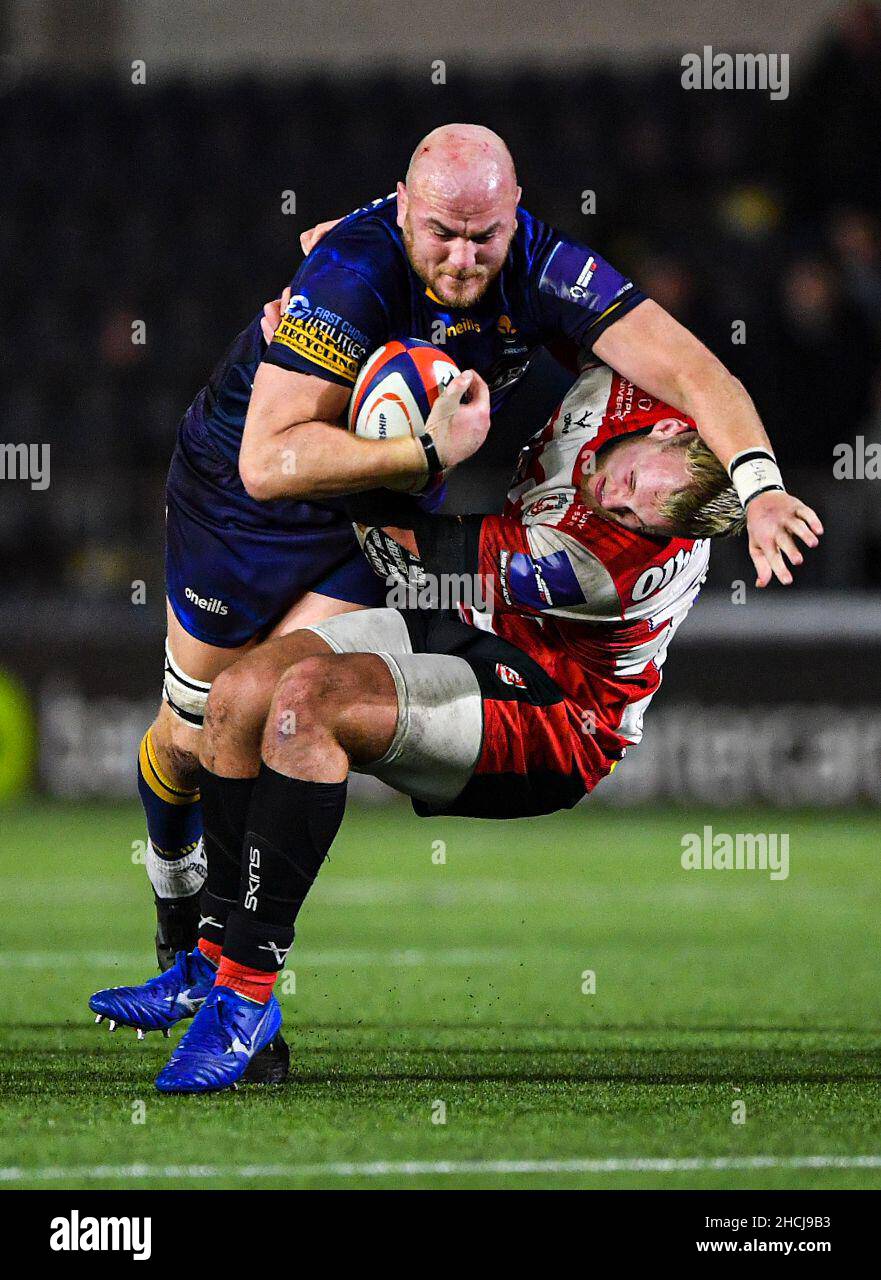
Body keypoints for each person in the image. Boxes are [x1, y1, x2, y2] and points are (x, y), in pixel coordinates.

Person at [89, 357, 822, 1093]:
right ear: (665, 427)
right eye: (632, 483)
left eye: (636, 515)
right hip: (473, 627)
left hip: (555, 714)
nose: (614, 501)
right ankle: (212, 960)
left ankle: (244, 998)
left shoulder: (604, 564)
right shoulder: (633, 386)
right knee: (237, 695)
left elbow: (407, 549)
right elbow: (584, 325)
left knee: (305, 704)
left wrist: (390, 442)